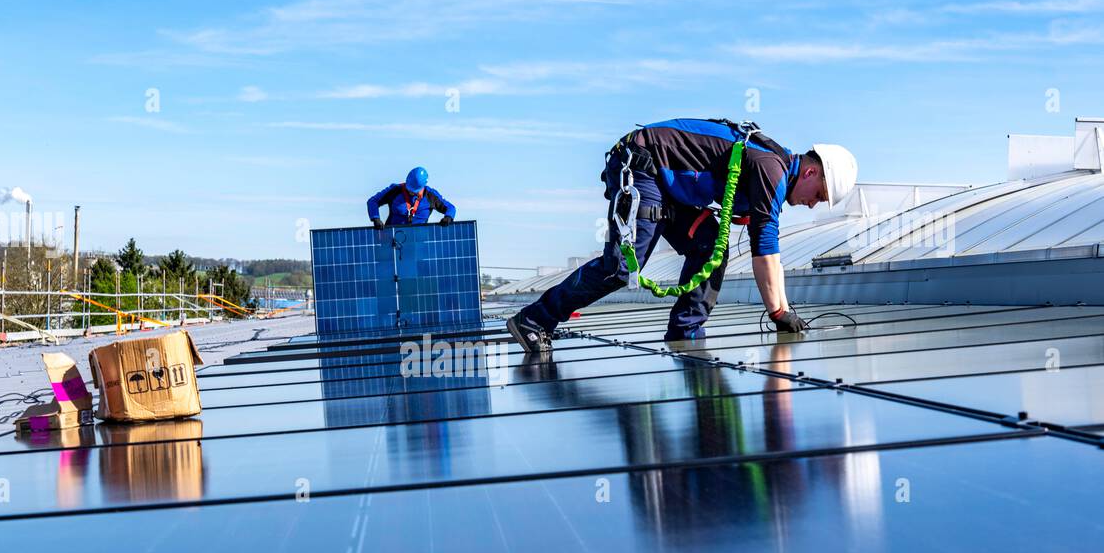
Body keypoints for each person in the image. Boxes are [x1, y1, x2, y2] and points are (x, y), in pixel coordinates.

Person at [506, 118, 857, 353]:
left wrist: (783, 309)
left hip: (669, 189)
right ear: (811, 171)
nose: (812, 205)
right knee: (621, 268)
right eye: (819, 196)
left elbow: (765, 244)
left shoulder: (770, 166)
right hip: (643, 166)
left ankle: (685, 335)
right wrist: (780, 313)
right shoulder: (772, 170)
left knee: (709, 246)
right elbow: (765, 250)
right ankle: (535, 319)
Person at [367, 167, 456, 227]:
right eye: (409, 188)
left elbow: (451, 208)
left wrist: (448, 217)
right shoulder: (394, 190)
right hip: (392, 239)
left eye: (414, 190)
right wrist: (375, 218)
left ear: (423, 186)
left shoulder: (431, 196)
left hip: (418, 242)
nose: (410, 191)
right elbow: (372, 201)